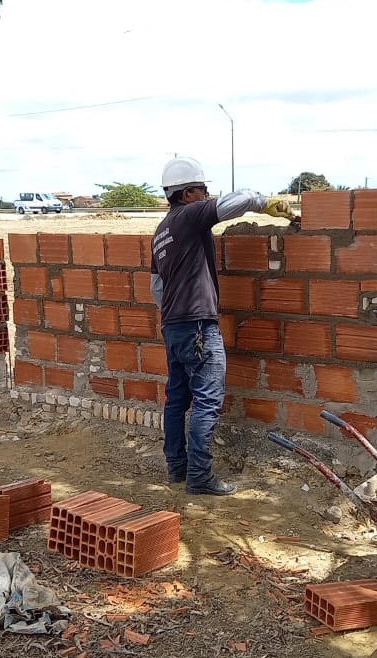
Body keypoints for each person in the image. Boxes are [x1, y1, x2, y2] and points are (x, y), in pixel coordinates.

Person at [150, 157, 296, 495]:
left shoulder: (161, 231)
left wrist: (177, 311)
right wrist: (264, 202)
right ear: (187, 193)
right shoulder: (189, 215)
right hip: (198, 325)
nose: (207, 195)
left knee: (176, 400)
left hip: (173, 326)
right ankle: (199, 478)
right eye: (203, 190)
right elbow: (239, 200)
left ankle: (178, 470)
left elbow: (156, 288)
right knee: (206, 401)